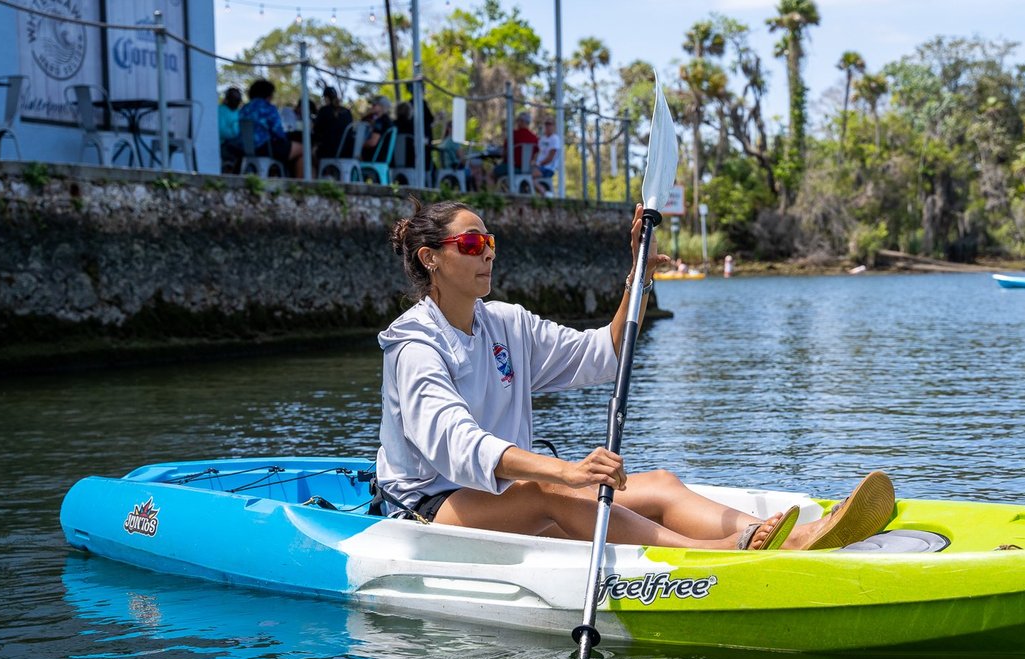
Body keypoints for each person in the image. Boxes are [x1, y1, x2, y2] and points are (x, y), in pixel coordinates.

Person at [374, 199, 896, 550]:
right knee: (545, 493)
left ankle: (777, 535)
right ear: (431, 259)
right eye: (470, 245)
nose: (486, 252)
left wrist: (638, 279)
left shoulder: (506, 322)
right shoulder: (413, 344)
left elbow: (604, 354)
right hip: (428, 507)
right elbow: (457, 447)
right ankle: (714, 555)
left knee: (663, 485)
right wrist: (568, 472)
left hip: (506, 493)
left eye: (489, 242)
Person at [238, 78, 305, 175]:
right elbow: (278, 133)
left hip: (245, 149)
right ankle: (299, 185)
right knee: (303, 150)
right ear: (268, 94)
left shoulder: (244, 108)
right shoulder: (268, 108)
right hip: (265, 148)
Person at [493, 112, 538, 189]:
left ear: (522, 122)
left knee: (491, 174)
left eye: (518, 121)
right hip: (527, 170)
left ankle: (490, 196)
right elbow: (535, 156)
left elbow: (504, 153)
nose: (517, 123)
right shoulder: (534, 138)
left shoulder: (513, 135)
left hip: (512, 167)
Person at [312, 85, 353, 161]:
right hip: (348, 151)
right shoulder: (347, 112)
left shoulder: (324, 111)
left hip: (331, 152)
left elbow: (316, 130)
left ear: (326, 98)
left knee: (309, 152)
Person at [360, 94, 394, 162]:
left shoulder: (381, 121)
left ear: (382, 106)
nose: (372, 106)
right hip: (383, 156)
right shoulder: (386, 120)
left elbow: (373, 142)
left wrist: (359, 144)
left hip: (376, 157)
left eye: (374, 105)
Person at [217, 87, 242, 173]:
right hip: (224, 145)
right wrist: (235, 133)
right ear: (227, 98)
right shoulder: (221, 110)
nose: (236, 100)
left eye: (238, 98)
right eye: (234, 98)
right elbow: (222, 131)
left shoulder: (239, 112)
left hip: (238, 143)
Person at [534, 115, 562, 193]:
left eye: (550, 124)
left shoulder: (555, 139)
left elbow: (550, 157)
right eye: (546, 124)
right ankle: (544, 192)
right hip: (538, 166)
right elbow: (536, 152)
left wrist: (539, 164)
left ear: (553, 126)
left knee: (529, 175)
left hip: (548, 168)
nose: (547, 126)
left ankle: (545, 193)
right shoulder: (542, 138)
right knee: (524, 172)